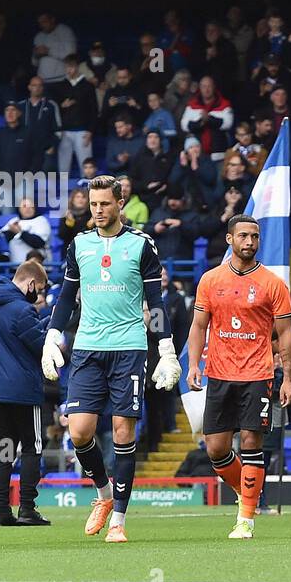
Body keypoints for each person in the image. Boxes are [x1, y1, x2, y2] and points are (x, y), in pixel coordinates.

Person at [41, 175, 182, 544]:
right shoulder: (79, 244)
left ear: (120, 202)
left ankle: (118, 518)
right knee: (79, 431)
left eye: (105, 203)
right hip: (87, 347)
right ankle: (103, 496)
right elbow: (66, 297)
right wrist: (52, 338)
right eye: (93, 204)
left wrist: (165, 348)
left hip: (129, 348)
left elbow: (155, 304)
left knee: (122, 431)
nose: (98, 210)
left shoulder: (141, 245)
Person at [185, 215, 291, 539]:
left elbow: (285, 333)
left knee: (251, 442)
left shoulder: (273, 283)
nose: (250, 242)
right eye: (244, 236)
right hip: (219, 373)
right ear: (230, 239)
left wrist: (287, 378)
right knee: (215, 448)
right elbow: (199, 326)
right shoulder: (210, 279)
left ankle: (245, 518)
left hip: (258, 374)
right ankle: (248, 492)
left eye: (255, 237)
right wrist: (194, 365)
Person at [0, 260, 51, 527]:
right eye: (40, 288)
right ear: (31, 283)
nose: (40, 294)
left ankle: (1, 510)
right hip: (23, 391)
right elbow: (40, 346)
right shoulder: (23, 310)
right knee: (32, 447)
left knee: (5, 451)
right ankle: (27, 507)